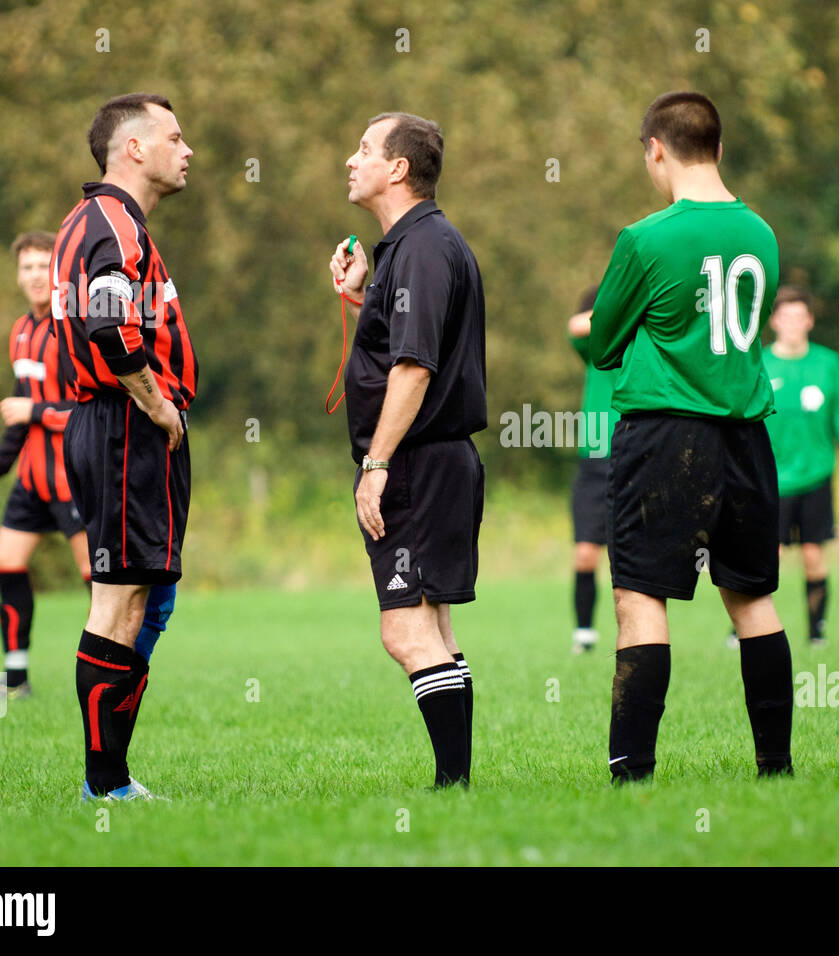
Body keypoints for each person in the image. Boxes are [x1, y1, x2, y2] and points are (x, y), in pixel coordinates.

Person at [589, 91, 792, 782]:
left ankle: (631, 772)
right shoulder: (762, 233)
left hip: (664, 436)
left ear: (655, 149)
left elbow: (604, 343)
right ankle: (774, 765)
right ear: (721, 148)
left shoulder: (645, 238)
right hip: (746, 436)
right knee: (751, 598)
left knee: (641, 596)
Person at [330, 112, 486, 789]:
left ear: (398, 168)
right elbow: (405, 339)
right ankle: (457, 784)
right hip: (434, 463)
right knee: (436, 630)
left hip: (417, 465)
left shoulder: (422, 248)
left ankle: (452, 786)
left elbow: (415, 367)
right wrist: (362, 294)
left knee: (407, 633)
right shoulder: (411, 247)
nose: (350, 159)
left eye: (363, 149)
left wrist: (378, 463)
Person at [53, 92, 196, 800]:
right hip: (124, 427)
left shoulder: (105, 222)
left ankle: (111, 776)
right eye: (175, 136)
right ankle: (103, 785)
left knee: (147, 599)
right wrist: (157, 404)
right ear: (134, 148)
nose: (187, 148)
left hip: (121, 428)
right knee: (117, 602)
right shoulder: (112, 223)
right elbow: (110, 328)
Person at [0, 231, 91, 699]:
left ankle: (116, 674)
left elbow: (90, 406)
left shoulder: (73, 326)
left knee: (98, 580)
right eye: (28, 267)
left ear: (56, 271)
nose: (36, 275)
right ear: (18, 275)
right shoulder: (19, 331)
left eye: (44, 266)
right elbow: (20, 415)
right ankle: (16, 679)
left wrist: (35, 412)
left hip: (73, 476)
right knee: (5, 563)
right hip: (31, 480)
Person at [760, 286, 839, 647]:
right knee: (766, 558)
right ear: (774, 322)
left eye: (799, 317)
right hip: (771, 480)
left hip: (816, 475)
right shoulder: (759, 363)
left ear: (809, 321)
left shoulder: (828, 363)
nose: (793, 324)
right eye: (785, 317)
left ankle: (816, 631)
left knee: (813, 555)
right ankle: (749, 628)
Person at [566, 283, 620, 654]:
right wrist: (617, 307)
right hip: (595, 460)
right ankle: (584, 633)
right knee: (586, 551)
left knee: (629, 555)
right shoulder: (595, 348)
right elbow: (577, 325)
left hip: (636, 455)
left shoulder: (641, 346)